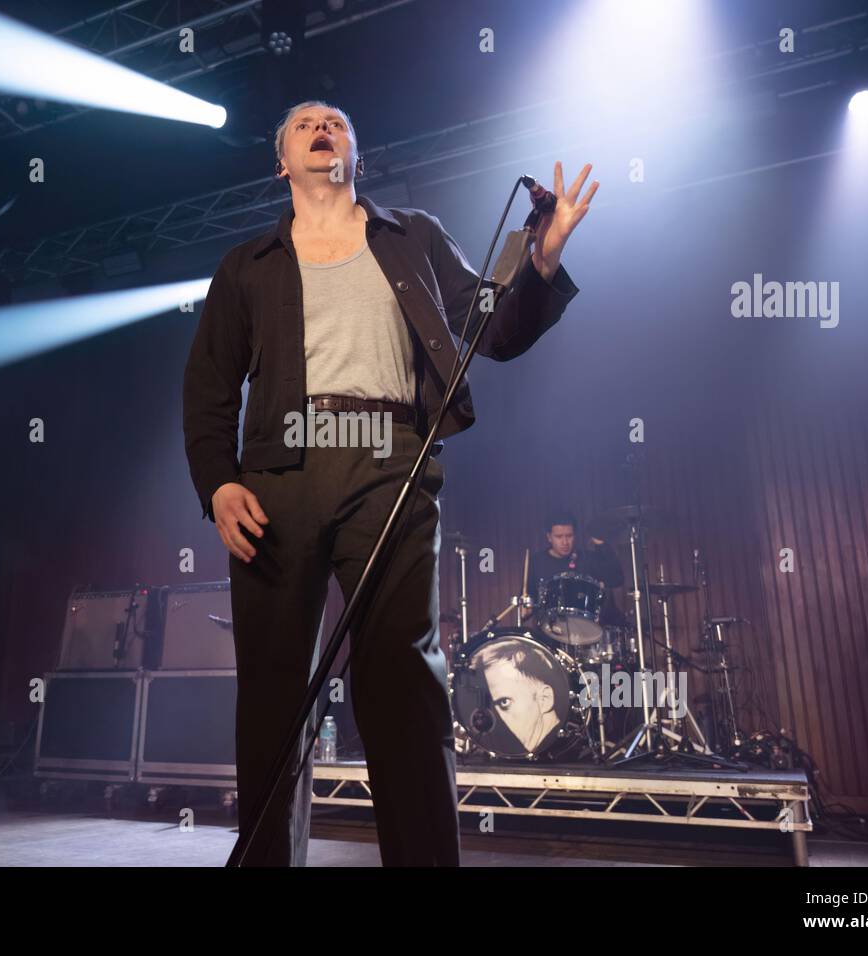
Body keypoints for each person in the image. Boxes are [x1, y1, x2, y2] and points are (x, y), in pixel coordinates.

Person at [183, 99, 596, 866]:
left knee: (404, 684)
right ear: (282, 162)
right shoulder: (247, 265)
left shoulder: (414, 237)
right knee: (275, 694)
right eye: (303, 123)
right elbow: (208, 387)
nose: (320, 128)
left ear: (355, 154)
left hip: (390, 463)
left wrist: (542, 260)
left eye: (336, 121)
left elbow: (489, 331)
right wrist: (217, 484)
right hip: (281, 473)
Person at [528, 510, 626, 627]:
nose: (565, 542)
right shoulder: (537, 562)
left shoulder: (586, 558)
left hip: (586, 629)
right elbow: (528, 596)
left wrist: (601, 545)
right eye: (559, 537)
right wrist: (526, 607)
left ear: (575, 535)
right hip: (550, 631)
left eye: (569, 536)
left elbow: (616, 578)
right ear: (549, 537)